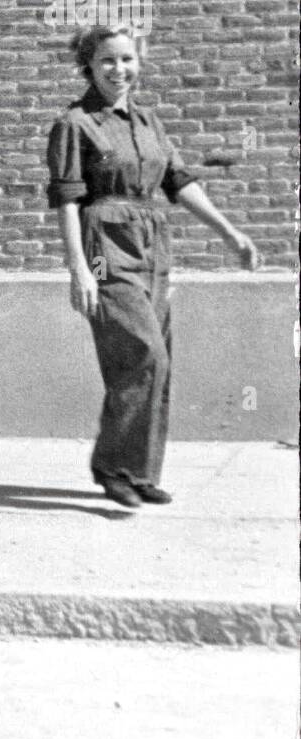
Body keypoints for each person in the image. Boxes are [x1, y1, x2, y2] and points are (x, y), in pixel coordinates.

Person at [47, 25, 259, 509]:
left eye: (127, 60)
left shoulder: (148, 122)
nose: (118, 70)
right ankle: (112, 465)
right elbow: (66, 200)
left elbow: (178, 182)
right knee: (142, 354)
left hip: (153, 244)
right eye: (107, 61)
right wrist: (78, 269)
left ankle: (140, 472)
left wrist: (229, 233)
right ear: (89, 66)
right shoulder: (74, 124)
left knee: (159, 355)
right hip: (103, 245)